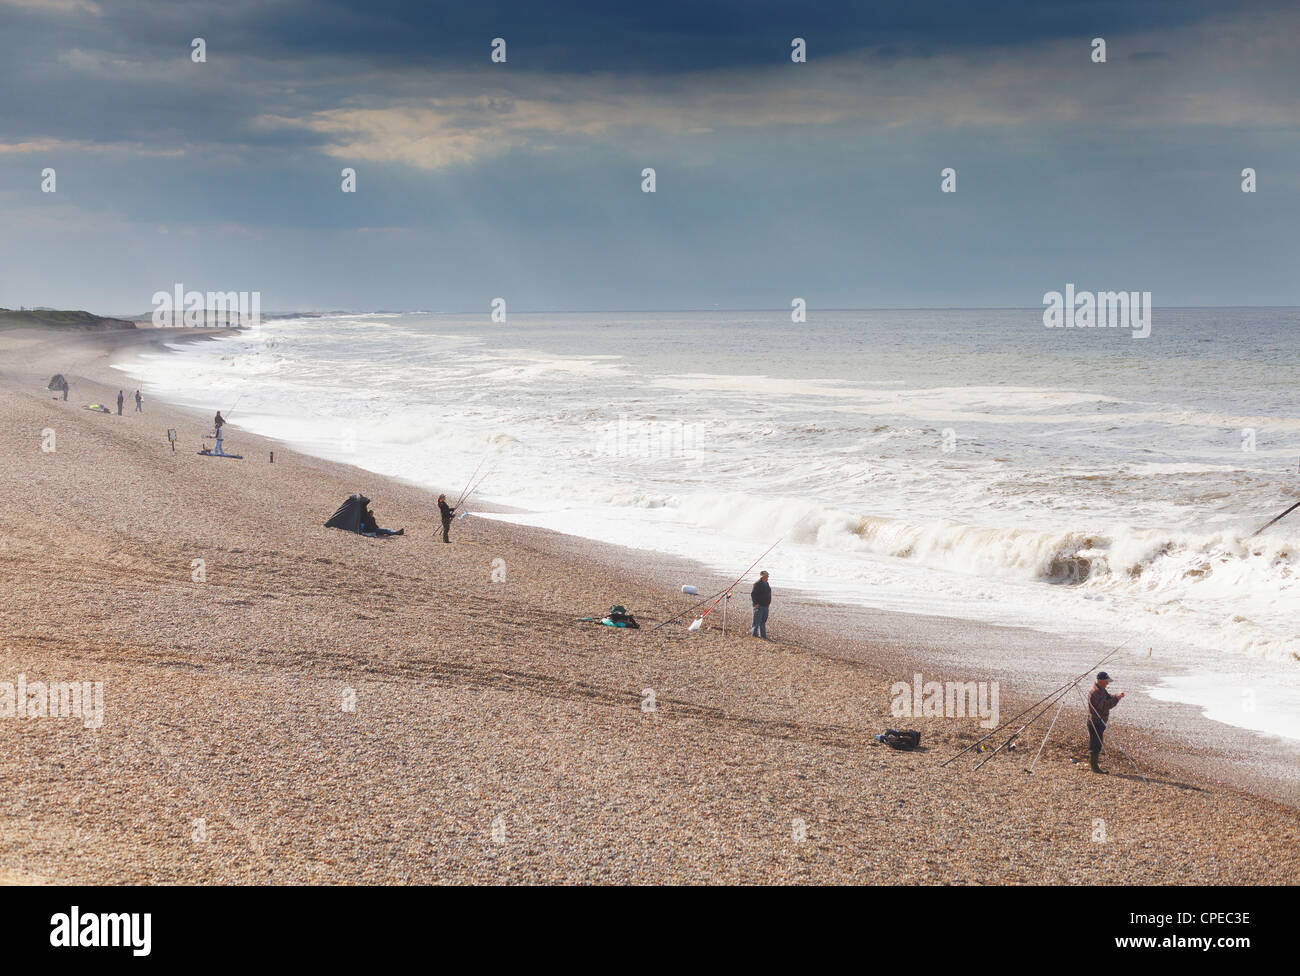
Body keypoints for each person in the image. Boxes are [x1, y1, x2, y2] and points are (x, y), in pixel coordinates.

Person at [1086, 671, 1124, 774]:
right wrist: (1117, 698)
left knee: (1098, 742)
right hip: (1095, 722)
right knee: (1095, 744)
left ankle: (1094, 766)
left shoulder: (1102, 689)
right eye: (1106, 682)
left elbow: (1108, 697)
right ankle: (1094, 767)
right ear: (1100, 681)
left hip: (1101, 721)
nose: (1107, 684)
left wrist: (1116, 695)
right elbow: (1105, 706)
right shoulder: (1094, 692)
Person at [750, 570, 772, 639]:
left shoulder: (767, 583)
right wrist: (755, 603)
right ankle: (754, 635)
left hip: (766, 606)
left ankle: (763, 636)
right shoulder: (757, 584)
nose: (767, 577)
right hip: (759, 606)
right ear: (763, 577)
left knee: (763, 622)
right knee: (756, 622)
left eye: (767, 576)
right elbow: (753, 594)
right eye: (766, 576)